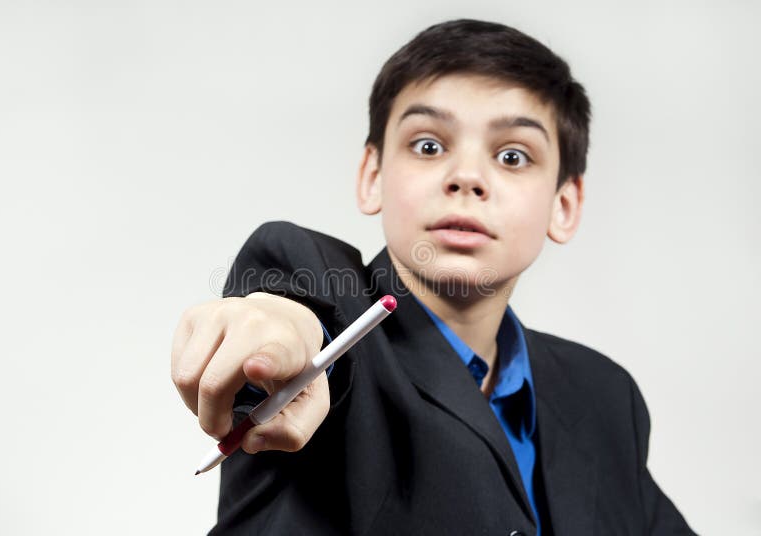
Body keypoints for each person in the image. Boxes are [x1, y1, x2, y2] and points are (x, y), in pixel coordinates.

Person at [171, 19, 696, 535]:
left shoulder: (603, 395)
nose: (466, 177)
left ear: (564, 204)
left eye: (513, 156)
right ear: (372, 176)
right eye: (428, 145)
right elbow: (298, 312)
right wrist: (282, 338)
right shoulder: (326, 301)